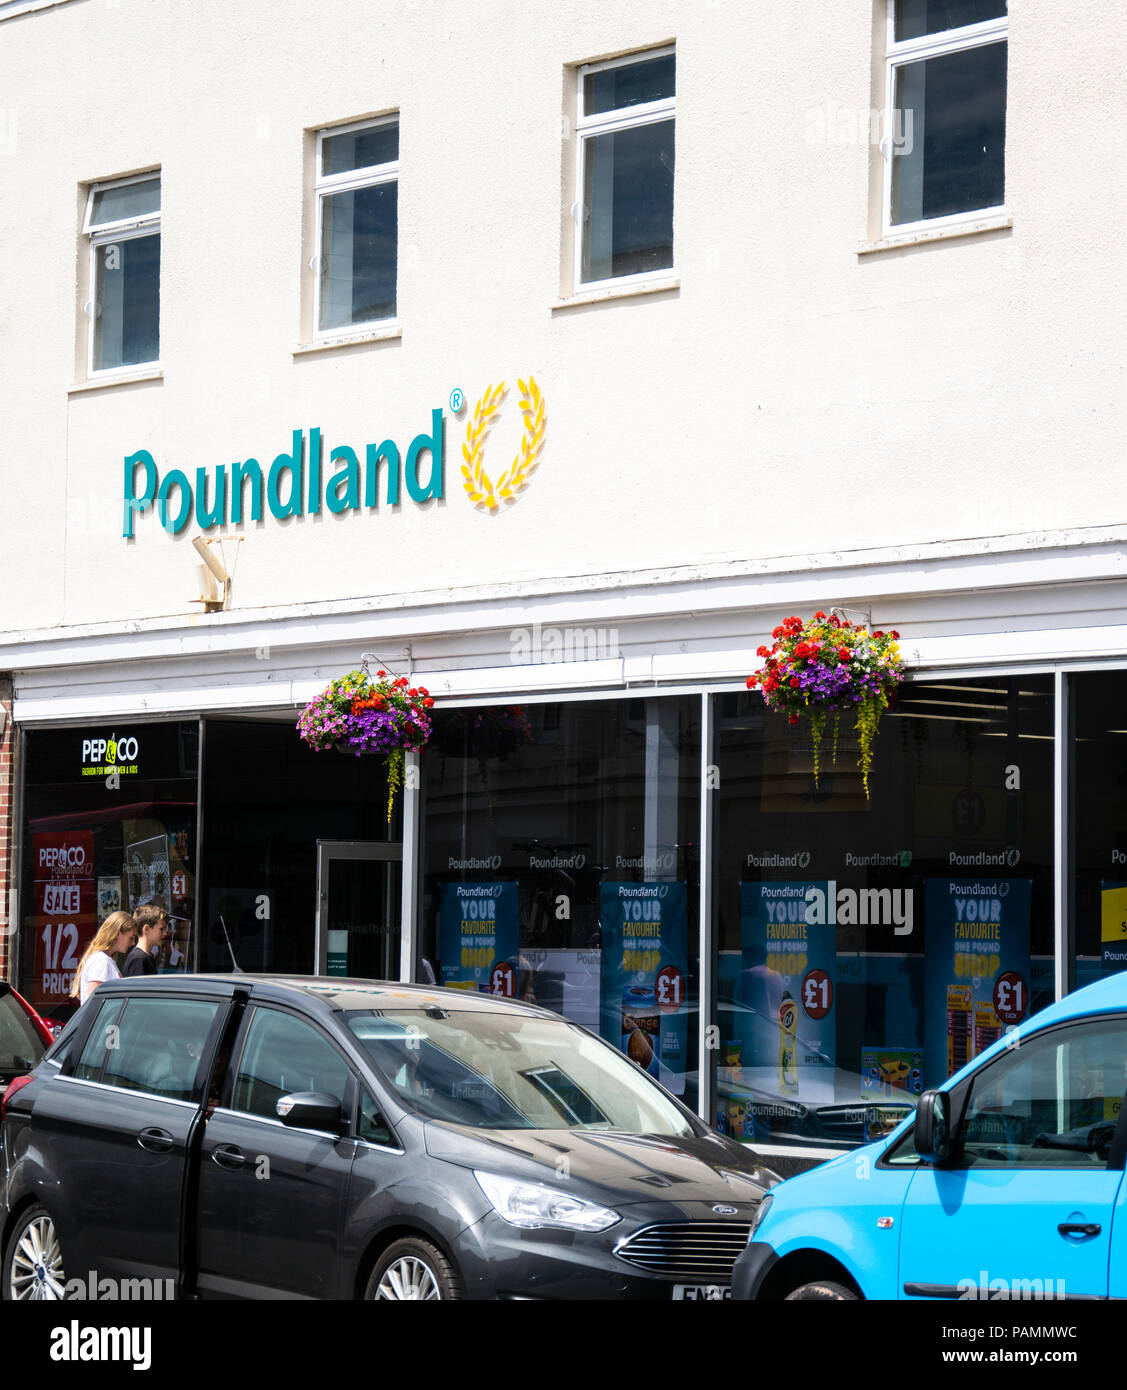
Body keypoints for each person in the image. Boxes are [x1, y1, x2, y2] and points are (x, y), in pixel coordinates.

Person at [70, 911, 137, 1005]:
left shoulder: (105, 959)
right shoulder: (101, 961)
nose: (133, 943)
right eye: (131, 938)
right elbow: (95, 1002)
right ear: (118, 934)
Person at [122, 903, 169, 977]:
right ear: (146, 929)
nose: (165, 933)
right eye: (161, 929)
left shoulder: (146, 957)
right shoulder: (139, 959)